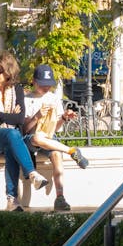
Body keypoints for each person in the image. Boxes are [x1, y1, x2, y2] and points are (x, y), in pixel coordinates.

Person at [23, 64, 90, 211]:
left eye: (49, 85)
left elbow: (55, 127)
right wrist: (37, 116)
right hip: (32, 138)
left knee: (56, 155)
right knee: (37, 138)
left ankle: (60, 197)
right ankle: (72, 151)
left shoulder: (53, 98)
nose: (46, 88)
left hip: (49, 137)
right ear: (34, 81)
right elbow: (24, 129)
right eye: (43, 84)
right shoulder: (26, 99)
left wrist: (65, 118)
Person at [0, 52, 51, 211]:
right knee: (12, 135)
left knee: (11, 141)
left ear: (8, 72)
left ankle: (12, 200)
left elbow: (19, 119)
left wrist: (1, 117)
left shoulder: (17, 89)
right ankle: (32, 174)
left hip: (8, 138)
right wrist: (7, 116)